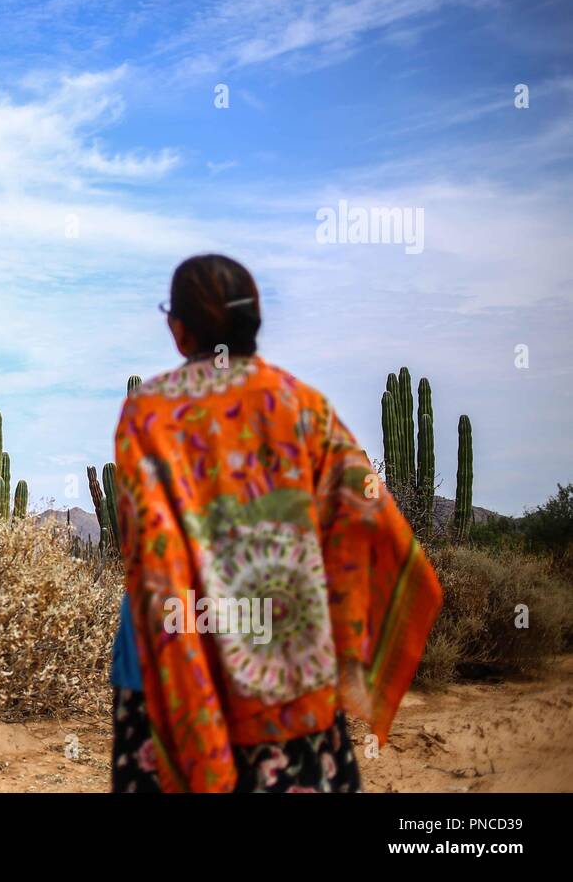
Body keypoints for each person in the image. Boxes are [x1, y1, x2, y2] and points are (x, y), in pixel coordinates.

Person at [111, 254, 442, 793]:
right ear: (255, 321)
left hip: (166, 667)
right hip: (287, 665)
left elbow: (149, 550)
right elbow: (365, 514)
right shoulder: (304, 406)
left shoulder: (146, 412)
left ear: (178, 328)